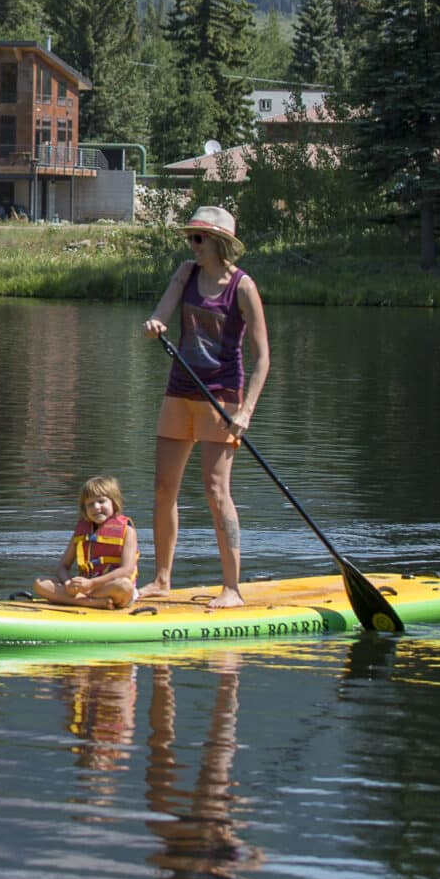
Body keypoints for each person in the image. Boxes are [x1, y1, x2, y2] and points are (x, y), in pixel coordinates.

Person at [139, 205, 269, 608]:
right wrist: (156, 324)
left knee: (216, 490)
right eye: (190, 238)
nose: (191, 245)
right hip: (181, 389)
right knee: (164, 489)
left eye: (198, 239)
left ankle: (232, 588)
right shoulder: (186, 273)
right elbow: (161, 313)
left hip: (222, 396)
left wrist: (245, 412)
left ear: (218, 242)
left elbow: (263, 357)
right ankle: (161, 579)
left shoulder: (243, 287)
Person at [34, 473, 139, 608]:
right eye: (90, 504)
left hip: (109, 588)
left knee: (124, 586)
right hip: (86, 590)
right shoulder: (81, 532)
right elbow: (62, 566)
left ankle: (82, 601)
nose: (96, 507)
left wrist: (92, 584)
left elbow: (126, 570)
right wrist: (67, 583)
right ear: (85, 509)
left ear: (114, 502)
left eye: (101, 501)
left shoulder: (128, 531)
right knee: (40, 583)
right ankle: (90, 603)